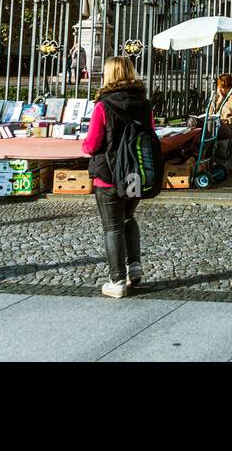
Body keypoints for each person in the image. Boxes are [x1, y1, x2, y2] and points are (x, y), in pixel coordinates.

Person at [82, 56, 155, 299]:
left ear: (109, 75)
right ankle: (134, 266)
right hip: (134, 174)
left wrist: (84, 145)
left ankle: (117, 280)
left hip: (108, 175)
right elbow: (151, 133)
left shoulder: (103, 106)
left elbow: (92, 144)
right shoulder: (144, 103)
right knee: (128, 217)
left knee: (112, 226)